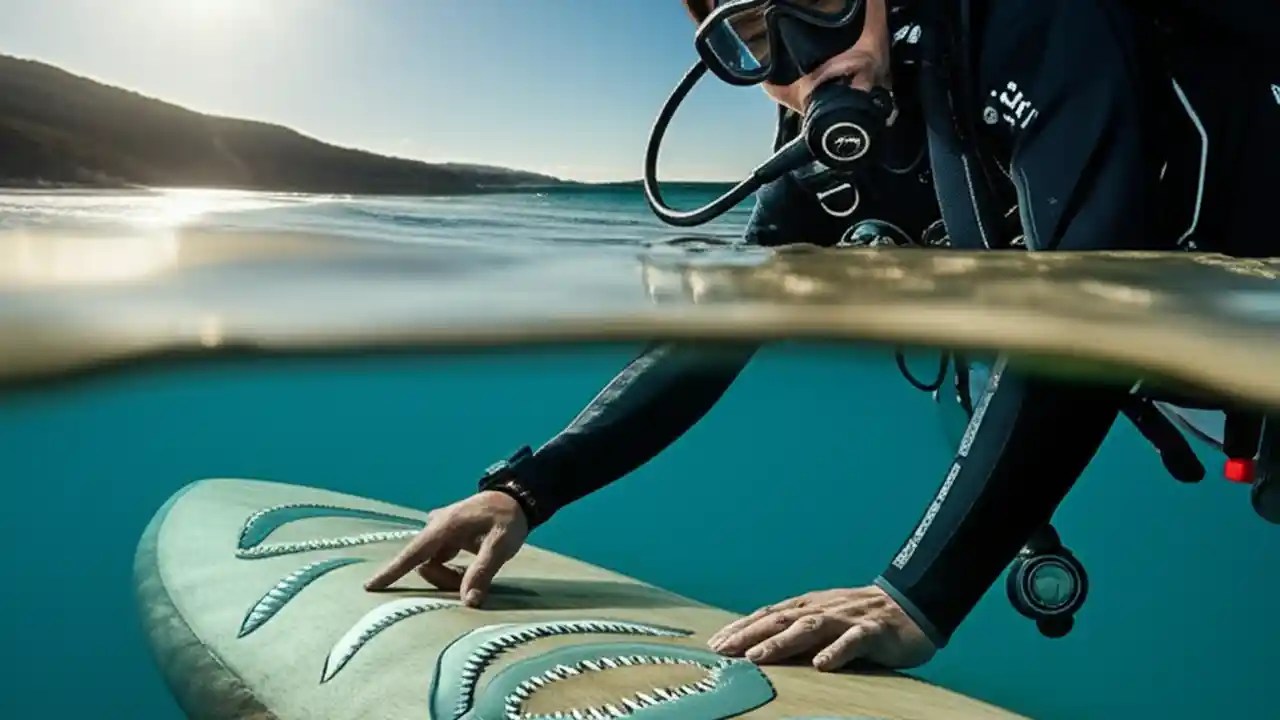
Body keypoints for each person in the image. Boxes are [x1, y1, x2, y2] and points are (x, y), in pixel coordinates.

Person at [367, 0, 1278, 672]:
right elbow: (715, 332)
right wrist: (527, 490)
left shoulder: (1026, 23)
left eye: (821, 4)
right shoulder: (828, 166)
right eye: (758, 41)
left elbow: (1091, 303)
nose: (807, 63)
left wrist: (915, 595)